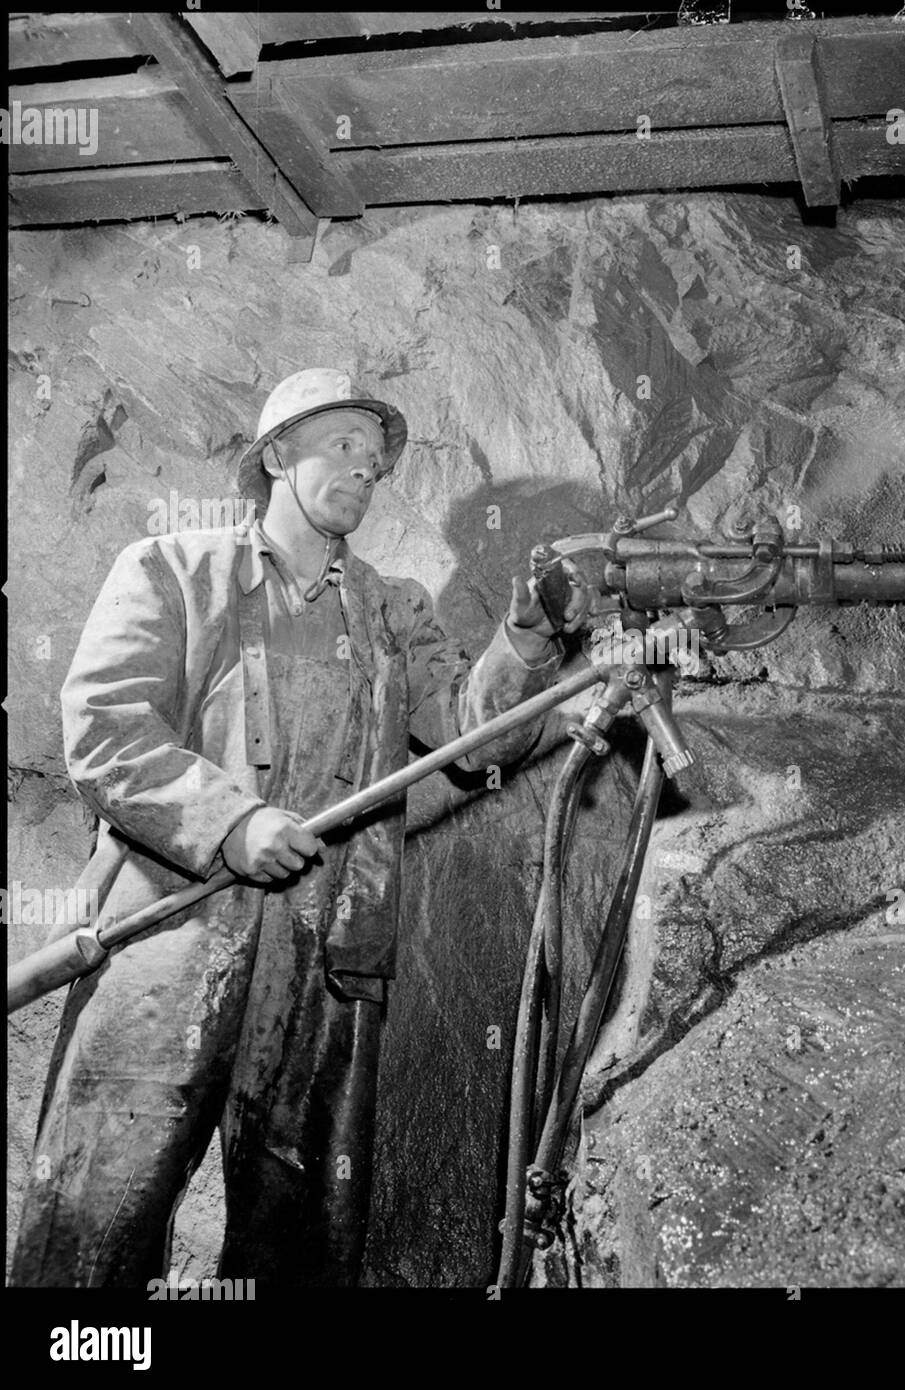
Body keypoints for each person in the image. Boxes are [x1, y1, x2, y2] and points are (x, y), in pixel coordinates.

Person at [11, 367, 586, 1287]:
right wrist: (232, 820)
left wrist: (523, 640)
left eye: (376, 456)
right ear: (277, 456)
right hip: (168, 937)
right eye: (342, 445)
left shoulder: (395, 611)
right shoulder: (172, 572)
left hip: (327, 962)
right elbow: (107, 727)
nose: (366, 469)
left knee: (301, 1236)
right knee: (96, 1211)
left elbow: (472, 738)